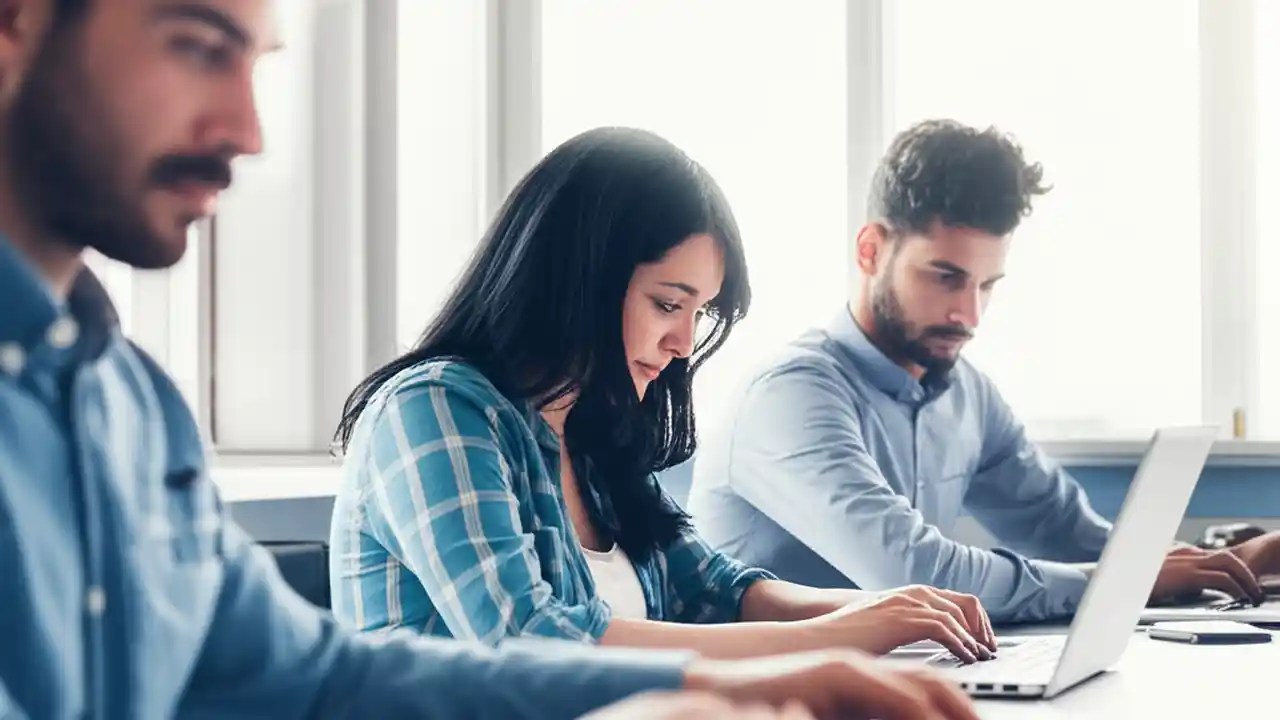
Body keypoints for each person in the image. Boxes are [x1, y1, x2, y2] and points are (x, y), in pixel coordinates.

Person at [0, 1, 982, 718]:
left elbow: (312, 675)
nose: (249, 134)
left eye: (255, 63)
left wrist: (746, 679)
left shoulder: (127, 402)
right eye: (195, 44)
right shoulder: (434, 406)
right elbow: (517, 634)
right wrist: (795, 654)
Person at [330, 125, 999, 668]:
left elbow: (716, 587)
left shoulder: (590, 430)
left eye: (699, 312)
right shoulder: (433, 409)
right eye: (668, 304)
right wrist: (836, 639)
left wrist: (891, 609)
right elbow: (532, 641)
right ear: (580, 279)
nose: (683, 343)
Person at [688, 118, 1280, 624]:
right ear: (870, 250)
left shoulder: (965, 392)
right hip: (759, 694)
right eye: (945, 277)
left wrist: (1218, 565)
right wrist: (1125, 582)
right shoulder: (790, 396)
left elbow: (1064, 529)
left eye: (986, 284)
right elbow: (917, 573)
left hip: (895, 677)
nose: (968, 315)